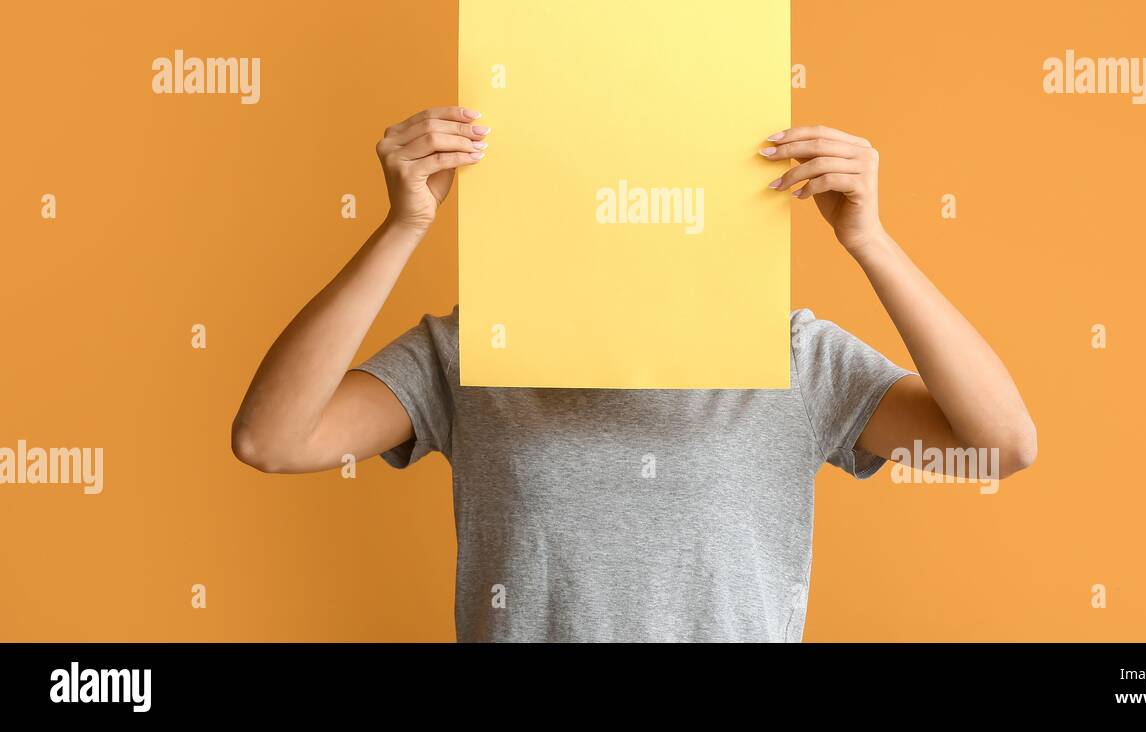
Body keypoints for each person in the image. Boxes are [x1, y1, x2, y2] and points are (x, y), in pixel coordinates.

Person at [231, 105, 1036, 642]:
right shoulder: (478, 351)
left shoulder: (793, 358)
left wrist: (873, 242)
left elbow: (999, 446)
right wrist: (404, 225)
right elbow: (272, 439)